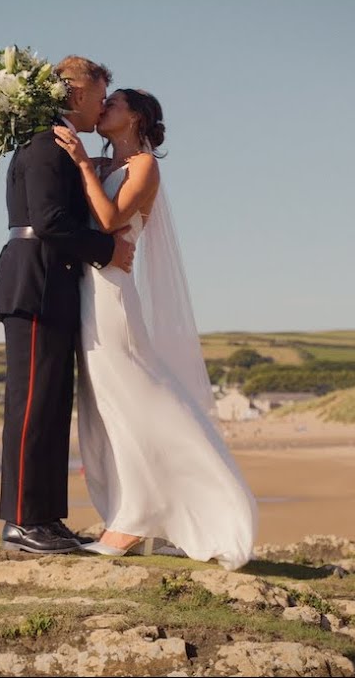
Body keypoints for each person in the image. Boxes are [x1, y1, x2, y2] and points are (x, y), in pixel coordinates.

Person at [53, 89, 257, 570]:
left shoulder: (143, 167)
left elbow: (107, 220)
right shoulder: (102, 166)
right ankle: (130, 515)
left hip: (111, 298)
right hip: (84, 293)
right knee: (104, 407)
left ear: (137, 117)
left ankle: (138, 520)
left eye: (114, 104)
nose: (103, 109)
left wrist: (83, 165)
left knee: (134, 401)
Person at [0, 56, 136, 554]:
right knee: (31, 407)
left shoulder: (61, 146)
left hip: (52, 283)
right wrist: (107, 250)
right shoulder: (48, 144)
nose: (100, 108)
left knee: (51, 405)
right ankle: (22, 522)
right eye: (97, 97)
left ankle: (45, 519)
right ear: (76, 95)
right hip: (36, 282)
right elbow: (50, 221)